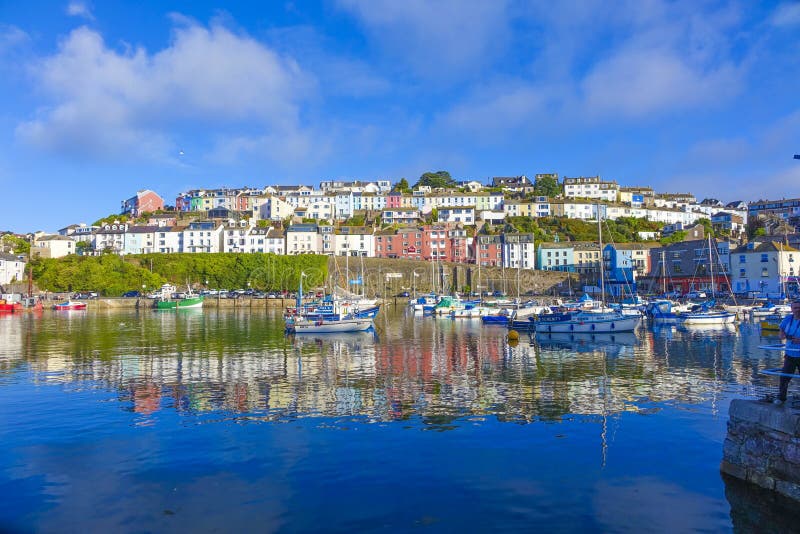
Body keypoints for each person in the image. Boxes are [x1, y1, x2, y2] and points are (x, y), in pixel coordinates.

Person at [776, 299, 800, 404]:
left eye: (799, 308)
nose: (798, 310)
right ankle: (781, 398)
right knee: (784, 376)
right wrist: (782, 334)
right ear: (792, 309)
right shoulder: (788, 318)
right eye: (795, 308)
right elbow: (781, 329)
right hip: (790, 354)